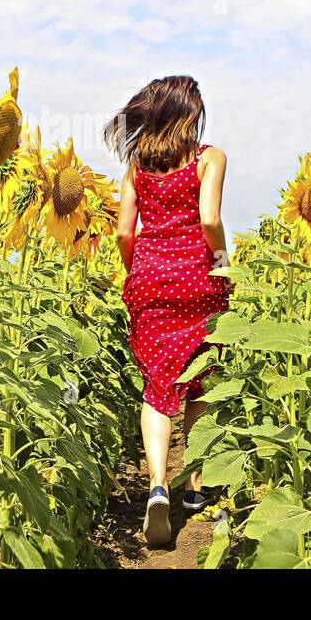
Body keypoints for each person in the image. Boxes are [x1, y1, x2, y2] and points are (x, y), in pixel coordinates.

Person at [103, 74, 230, 547]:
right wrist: (221, 263)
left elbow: (122, 233)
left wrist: (139, 271)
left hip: (151, 281)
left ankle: (158, 486)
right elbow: (210, 219)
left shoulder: (136, 167)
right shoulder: (208, 159)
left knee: (157, 388)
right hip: (199, 279)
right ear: (190, 115)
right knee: (199, 381)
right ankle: (195, 490)